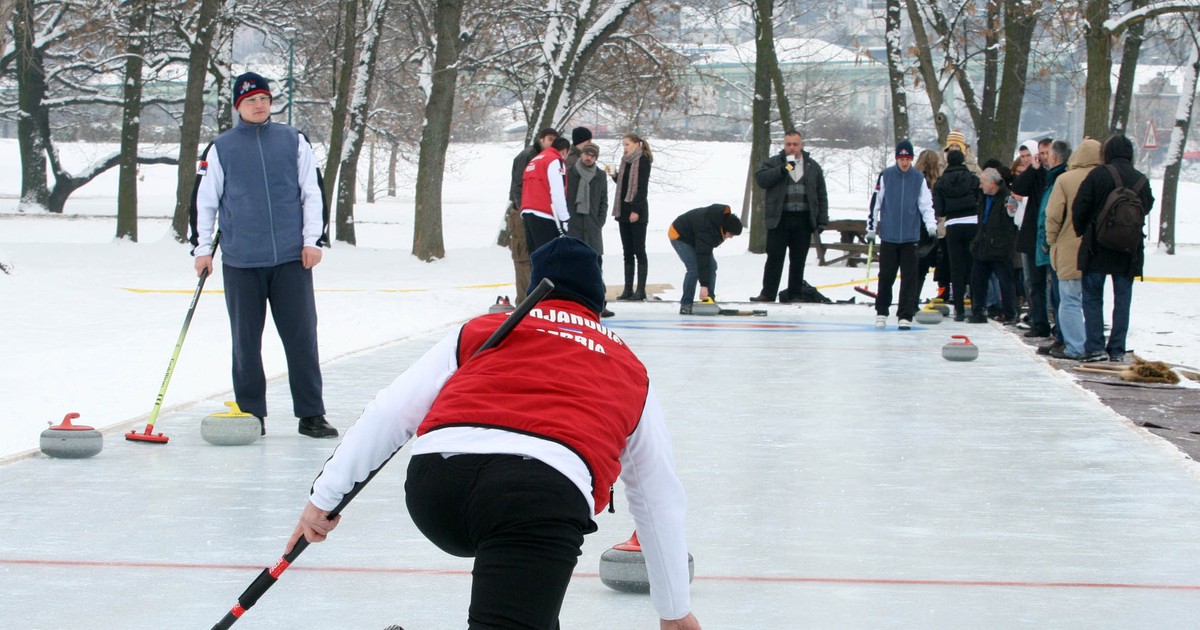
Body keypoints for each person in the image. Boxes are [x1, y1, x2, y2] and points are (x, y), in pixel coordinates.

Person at [286, 237, 702, 630]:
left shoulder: (484, 328)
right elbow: (655, 494)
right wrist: (674, 609)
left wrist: (323, 500)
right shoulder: (627, 365)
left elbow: (390, 412)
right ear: (597, 299)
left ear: (532, 288)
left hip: (437, 487)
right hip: (537, 496)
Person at [193, 71, 336, 439]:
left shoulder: (293, 141)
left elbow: (313, 192)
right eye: (250, 100)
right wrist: (203, 249)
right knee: (245, 342)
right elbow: (204, 202)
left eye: (263, 99)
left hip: (291, 259)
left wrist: (312, 240)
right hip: (242, 261)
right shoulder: (221, 148)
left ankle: (311, 414)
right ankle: (251, 413)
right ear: (238, 105)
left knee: (301, 338)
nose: (258, 105)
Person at [1072, 133, 1155, 363]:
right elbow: (1147, 205)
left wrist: (1085, 230)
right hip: (1128, 249)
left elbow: (1080, 206)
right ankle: (1117, 348)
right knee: (1122, 299)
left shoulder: (1097, 175)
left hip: (1097, 247)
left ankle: (1095, 347)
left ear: (1106, 153)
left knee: (1092, 297)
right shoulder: (1140, 179)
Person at [748, 130, 829, 303]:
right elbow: (761, 180)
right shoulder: (773, 163)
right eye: (788, 144)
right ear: (784, 145)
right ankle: (768, 293)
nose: (791, 148)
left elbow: (821, 194)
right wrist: (783, 169)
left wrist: (822, 220)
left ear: (801, 145)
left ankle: (795, 293)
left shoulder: (812, 166)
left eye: (795, 144)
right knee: (774, 257)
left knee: (798, 259)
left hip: (803, 219)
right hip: (779, 219)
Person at [1044, 137, 1104, 361]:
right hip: (1098, 249)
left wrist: (1052, 240)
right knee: (1093, 299)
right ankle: (1094, 345)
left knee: (1069, 299)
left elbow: (1053, 214)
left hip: (1069, 247)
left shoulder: (1065, 179)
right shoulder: (1105, 178)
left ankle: (1075, 346)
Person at [867, 140, 937, 330]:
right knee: (886, 276)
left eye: (907, 159)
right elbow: (876, 203)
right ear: (897, 159)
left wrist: (931, 227)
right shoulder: (886, 176)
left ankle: (905, 314)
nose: (904, 163)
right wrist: (871, 228)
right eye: (901, 159)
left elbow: (926, 206)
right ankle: (882, 311)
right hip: (889, 236)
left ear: (912, 159)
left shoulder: (918, 178)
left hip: (910, 237)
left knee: (909, 278)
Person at [509, 128, 560, 301]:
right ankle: (524, 301)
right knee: (523, 257)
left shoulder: (548, 159)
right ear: (541, 139)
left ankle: (538, 298)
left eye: (554, 140)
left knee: (538, 256)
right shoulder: (527, 156)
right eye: (549, 139)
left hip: (537, 212)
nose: (552, 143)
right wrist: (524, 210)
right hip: (523, 211)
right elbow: (518, 186)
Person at [1011, 138, 1053, 338]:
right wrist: (1032, 170)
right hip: (1031, 234)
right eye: (1024, 156)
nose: (1042, 157)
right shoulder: (1035, 173)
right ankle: (1038, 321)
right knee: (1033, 282)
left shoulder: (1056, 175)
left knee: (1049, 283)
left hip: (1048, 233)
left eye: (1046, 153)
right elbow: (1018, 187)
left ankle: (1050, 321)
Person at [566, 142, 614, 317]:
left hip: (593, 227)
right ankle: (573, 303)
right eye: (587, 154)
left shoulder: (600, 175)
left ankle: (599, 304)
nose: (589, 158)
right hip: (573, 225)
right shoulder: (570, 172)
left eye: (592, 156)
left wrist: (599, 221)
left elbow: (603, 201)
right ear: (581, 154)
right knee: (572, 266)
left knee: (595, 267)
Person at [1032, 140, 1071, 353]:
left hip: (1057, 244)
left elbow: (1051, 214)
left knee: (1061, 295)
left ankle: (1064, 338)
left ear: (1055, 156)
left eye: (1047, 153)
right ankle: (1061, 336)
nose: (1043, 157)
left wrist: (1048, 241)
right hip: (1058, 243)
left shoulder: (1059, 179)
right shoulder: (1054, 177)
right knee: (1060, 295)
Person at [932, 148, 980, 321]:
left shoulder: (941, 182)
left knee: (956, 268)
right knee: (973, 266)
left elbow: (939, 209)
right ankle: (976, 306)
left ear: (947, 161)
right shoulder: (973, 179)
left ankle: (959, 310)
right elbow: (979, 199)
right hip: (973, 223)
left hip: (953, 225)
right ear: (963, 161)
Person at [669, 204, 743, 314]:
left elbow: (705, 253)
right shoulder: (707, 230)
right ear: (725, 229)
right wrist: (704, 285)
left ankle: (709, 300)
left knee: (712, 266)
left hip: (695, 237)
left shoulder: (717, 224)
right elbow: (702, 256)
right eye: (731, 234)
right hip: (679, 235)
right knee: (694, 268)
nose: (731, 237)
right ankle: (686, 304)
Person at [967, 168, 1018, 324]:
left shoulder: (1007, 198)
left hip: (1000, 247)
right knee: (977, 279)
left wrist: (1005, 243)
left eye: (983, 182)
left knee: (1005, 281)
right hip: (982, 245)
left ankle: (1010, 314)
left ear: (993, 183)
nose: (980, 186)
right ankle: (978, 311)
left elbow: (1011, 223)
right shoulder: (983, 196)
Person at [610, 133, 653, 301]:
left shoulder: (642, 160)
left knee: (639, 250)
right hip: (623, 210)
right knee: (627, 251)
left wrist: (636, 210)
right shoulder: (625, 161)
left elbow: (642, 189)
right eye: (623, 144)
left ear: (637, 144)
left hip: (637, 211)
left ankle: (640, 289)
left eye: (627, 144)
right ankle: (628, 288)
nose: (625, 147)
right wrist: (615, 176)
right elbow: (625, 185)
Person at [521, 136, 572, 252]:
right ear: (565, 151)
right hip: (545, 214)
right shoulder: (555, 161)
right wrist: (564, 218)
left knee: (535, 256)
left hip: (527, 212)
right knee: (549, 257)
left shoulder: (535, 160)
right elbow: (557, 191)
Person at [913, 148, 948, 303]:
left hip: (912, 227)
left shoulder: (913, 180)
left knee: (911, 267)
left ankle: (908, 298)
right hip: (928, 228)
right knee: (922, 267)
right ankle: (914, 298)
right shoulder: (936, 183)